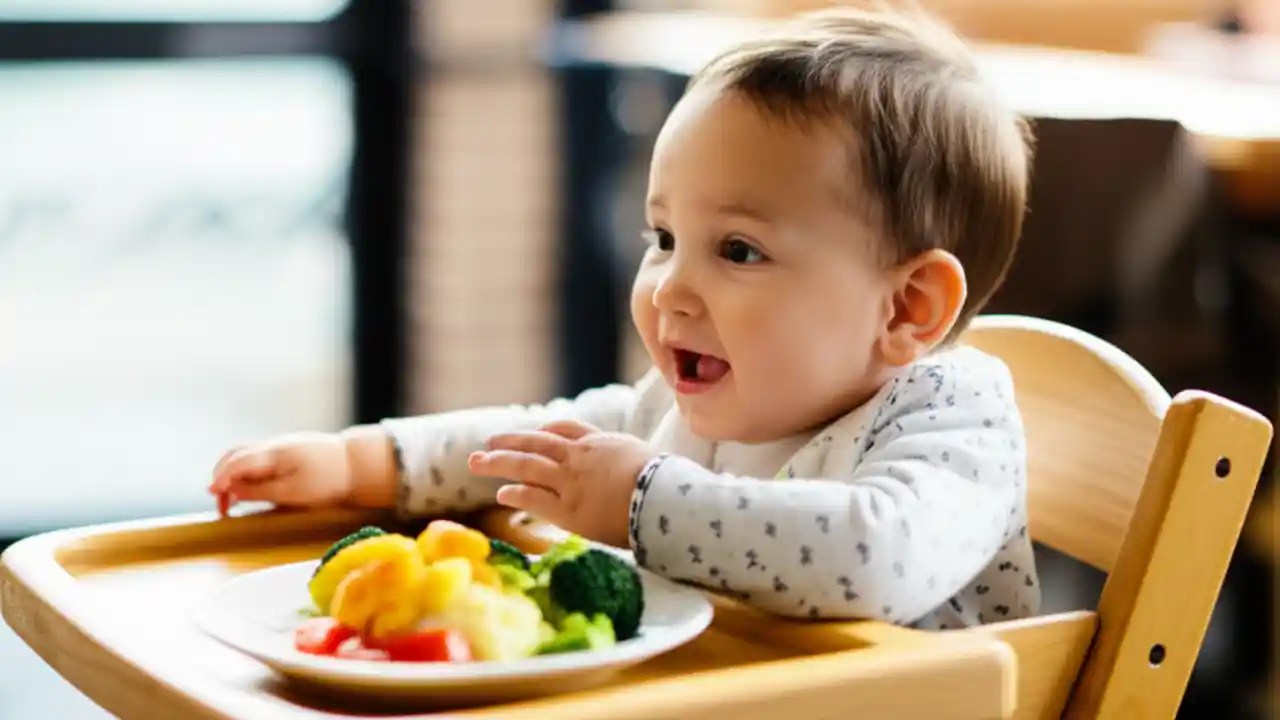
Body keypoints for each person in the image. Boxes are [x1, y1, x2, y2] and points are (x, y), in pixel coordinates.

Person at [209, 5, 1039, 629]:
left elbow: (875, 559)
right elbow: (554, 441)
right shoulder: (704, 407)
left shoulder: (949, 416)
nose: (671, 287)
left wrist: (639, 503)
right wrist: (365, 463)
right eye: (665, 236)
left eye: (739, 250)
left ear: (907, 306)